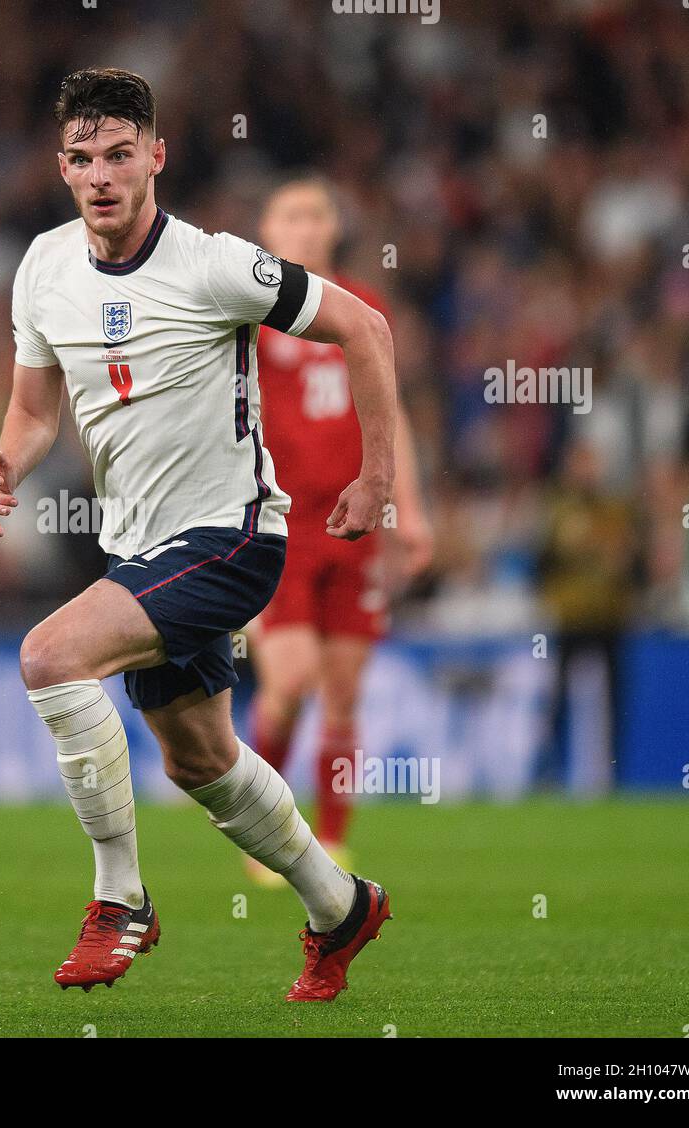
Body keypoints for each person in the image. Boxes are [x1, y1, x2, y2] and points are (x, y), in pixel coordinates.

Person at [0, 70, 397, 1001]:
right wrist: (6, 462)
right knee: (200, 759)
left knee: (50, 659)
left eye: (120, 154)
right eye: (82, 159)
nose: (101, 176)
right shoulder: (44, 268)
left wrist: (378, 478)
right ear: (61, 167)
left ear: (156, 157)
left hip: (235, 537)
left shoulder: (215, 265)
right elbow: (34, 412)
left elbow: (365, 327)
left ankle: (120, 901)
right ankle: (341, 906)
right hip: (142, 553)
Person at [248, 177, 433, 883]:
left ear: (333, 229)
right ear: (267, 230)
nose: (303, 226)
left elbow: (393, 417)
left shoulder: (361, 310)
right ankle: (264, 828)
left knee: (345, 692)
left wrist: (407, 509)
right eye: (289, 214)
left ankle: (331, 841)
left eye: (316, 214)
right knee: (291, 680)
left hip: (355, 525)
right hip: (280, 523)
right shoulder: (247, 314)